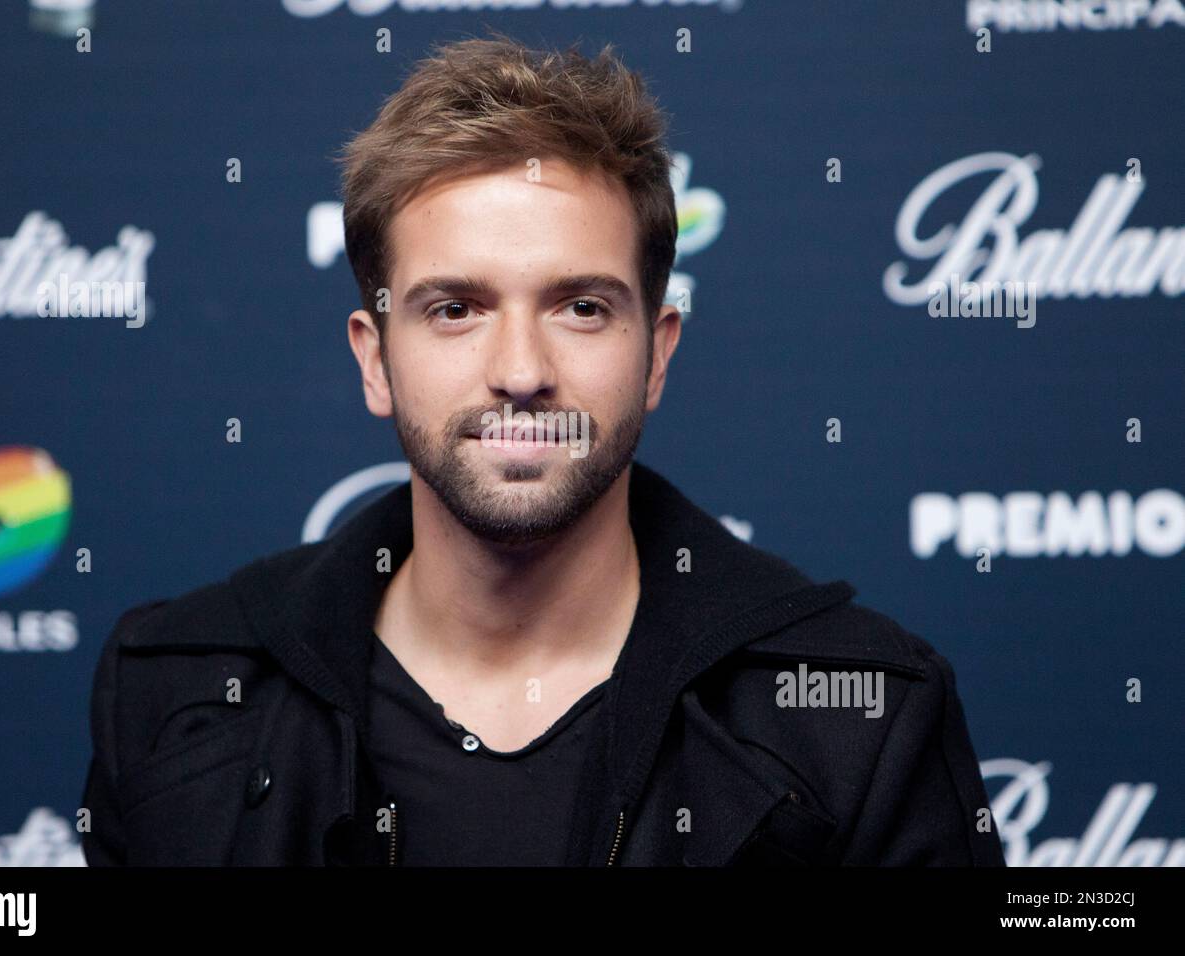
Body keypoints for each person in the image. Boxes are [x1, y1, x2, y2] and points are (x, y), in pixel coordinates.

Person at [80, 33, 1005, 866]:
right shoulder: (177, 694)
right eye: (455, 309)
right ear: (375, 360)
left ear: (657, 355)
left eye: (582, 307)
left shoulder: (856, 716)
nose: (521, 371)